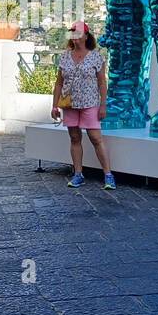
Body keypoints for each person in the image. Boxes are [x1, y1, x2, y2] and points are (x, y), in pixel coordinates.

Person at [50, 21, 116, 190]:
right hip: (69, 102)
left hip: (90, 103)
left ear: (86, 36)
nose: (75, 37)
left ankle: (108, 174)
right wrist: (55, 105)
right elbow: (59, 83)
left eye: (78, 34)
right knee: (74, 137)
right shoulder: (65, 56)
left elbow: (102, 83)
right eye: (73, 34)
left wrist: (103, 105)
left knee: (96, 138)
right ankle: (78, 173)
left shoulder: (96, 57)